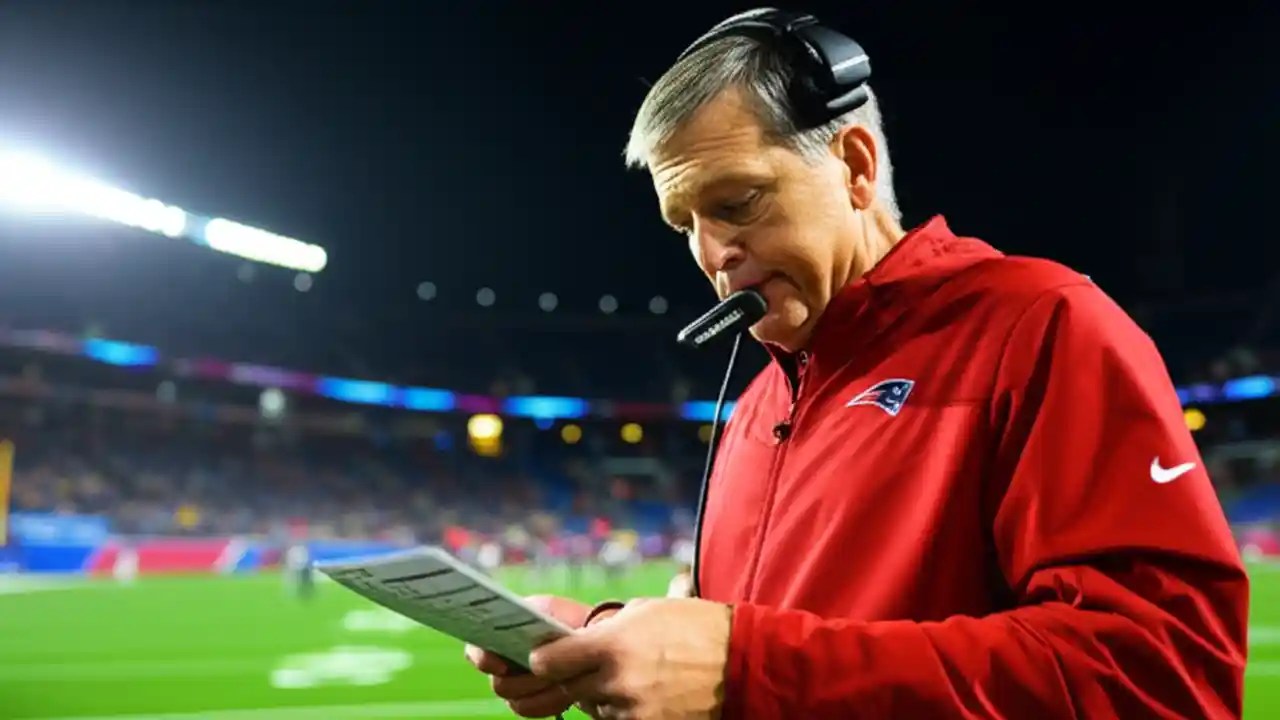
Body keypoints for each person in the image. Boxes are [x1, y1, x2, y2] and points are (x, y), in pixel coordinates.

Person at [465, 8, 1250, 719]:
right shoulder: (756, 406)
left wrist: (748, 669)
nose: (711, 252)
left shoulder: (1040, 325)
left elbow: (1167, 681)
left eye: (737, 203)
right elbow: (771, 633)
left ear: (855, 165)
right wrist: (610, 644)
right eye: (685, 224)